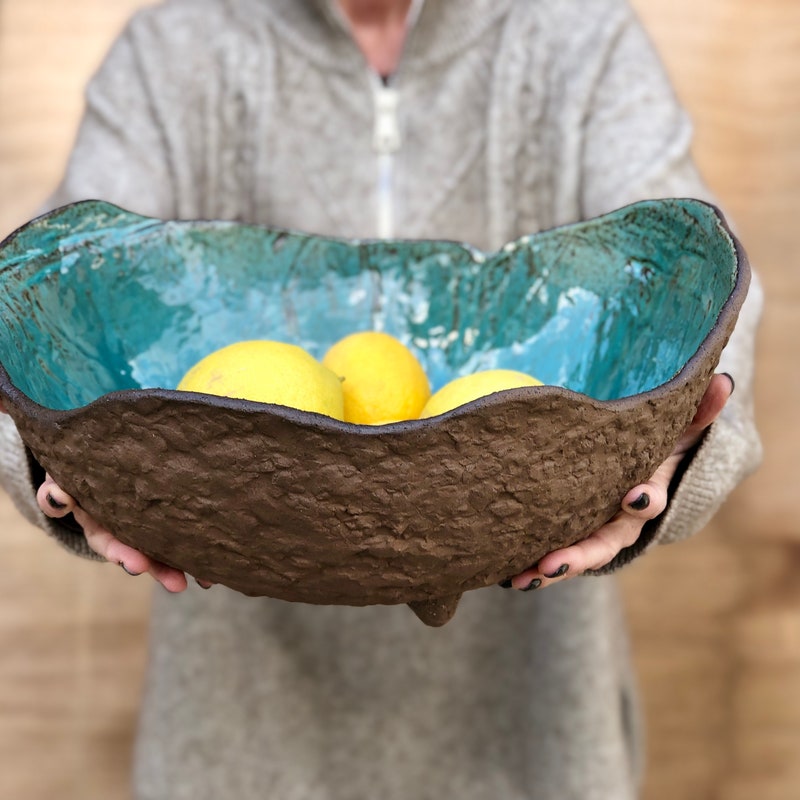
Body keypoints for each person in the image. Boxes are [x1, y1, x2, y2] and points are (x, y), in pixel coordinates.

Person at [0, 0, 762, 798]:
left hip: (526, 719)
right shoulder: (176, 48)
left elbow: (690, 283)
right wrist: (51, 458)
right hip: (237, 731)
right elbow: (53, 300)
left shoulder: (577, 36)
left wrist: (676, 444)